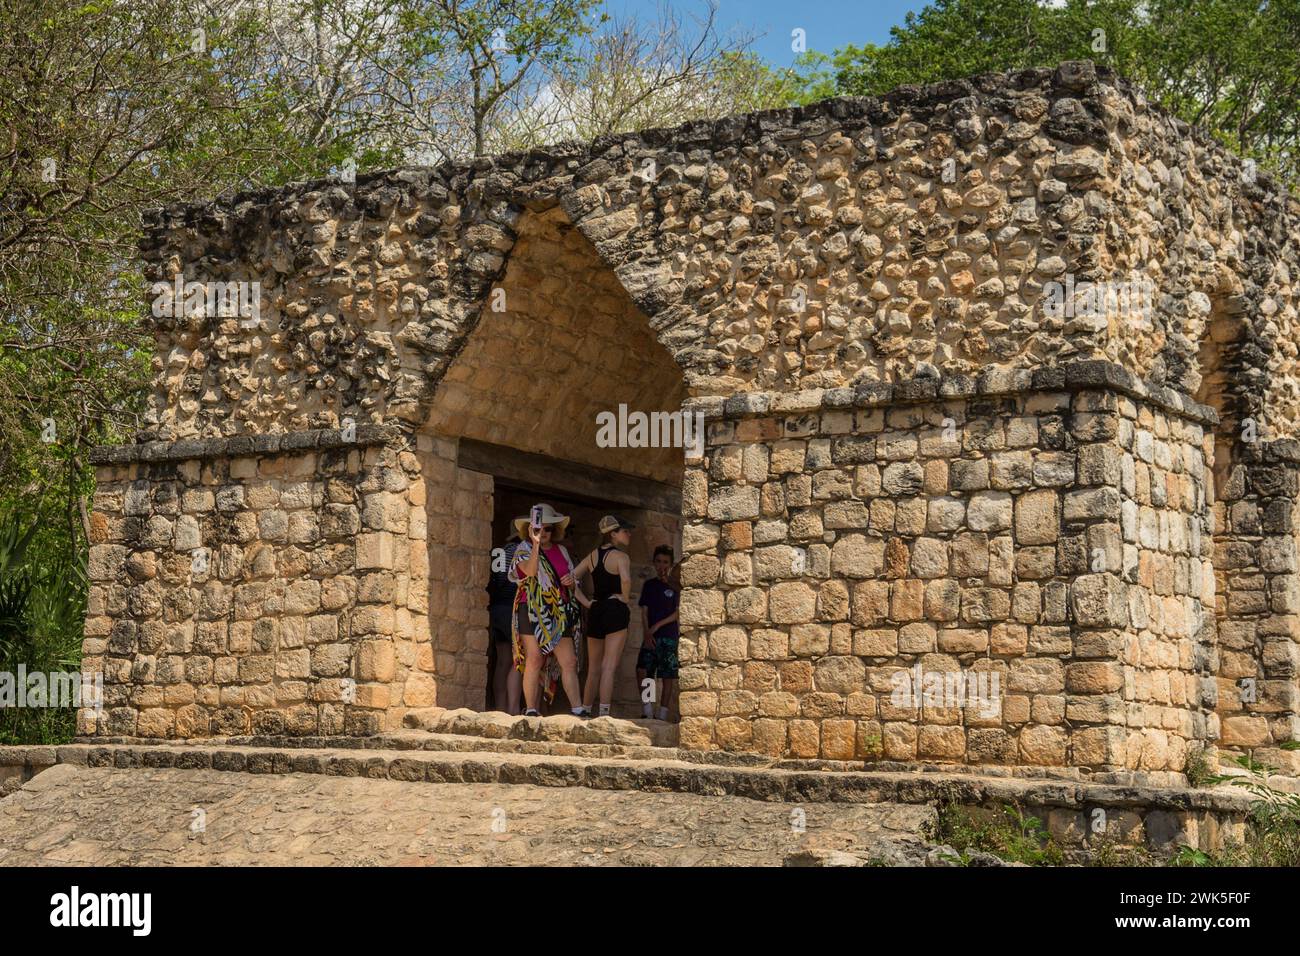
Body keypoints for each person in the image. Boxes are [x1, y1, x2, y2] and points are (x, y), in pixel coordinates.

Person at [508, 503, 588, 717]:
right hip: (531, 609)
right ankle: (532, 709)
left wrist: (571, 583)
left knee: (569, 660)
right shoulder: (522, 550)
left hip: (558, 610)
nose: (542, 533)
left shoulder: (561, 550)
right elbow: (531, 573)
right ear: (530, 529)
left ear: (555, 531)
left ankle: (578, 708)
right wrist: (534, 546)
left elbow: (572, 583)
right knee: (534, 658)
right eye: (538, 528)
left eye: (548, 529)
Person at [573, 514, 634, 718]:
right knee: (609, 666)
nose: (629, 534)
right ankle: (604, 714)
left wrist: (586, 602)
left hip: (596, 609)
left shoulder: (592, 556)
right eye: (625, 531)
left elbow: (571, 579)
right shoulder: (622, 557)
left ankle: (586, 709)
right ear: (613, 534)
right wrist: (625, 598)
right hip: (615, 608)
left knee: (594, 668)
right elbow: (625, 580)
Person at [637, 545, 681, 722]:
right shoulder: (649, 585)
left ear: (670, 565)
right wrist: (647, 632)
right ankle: (648, 709)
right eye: (658, 561)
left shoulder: (676, 587)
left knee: (667, 675)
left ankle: (662, 713)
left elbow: (677, 613)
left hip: (668, 635)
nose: (661, 565)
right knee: (645, 671)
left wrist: (657, 627)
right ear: (654, 563)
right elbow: (644, 611)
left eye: (665, 562)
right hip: (651, 636)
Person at [486, 528, 523, 715]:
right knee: (516, 659)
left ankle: (500, 707)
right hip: (511, 608)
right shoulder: (519, 550)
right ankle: (511, 709)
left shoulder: (500, 550)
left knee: (502, 661)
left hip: (497, 608)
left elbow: (496, 581)